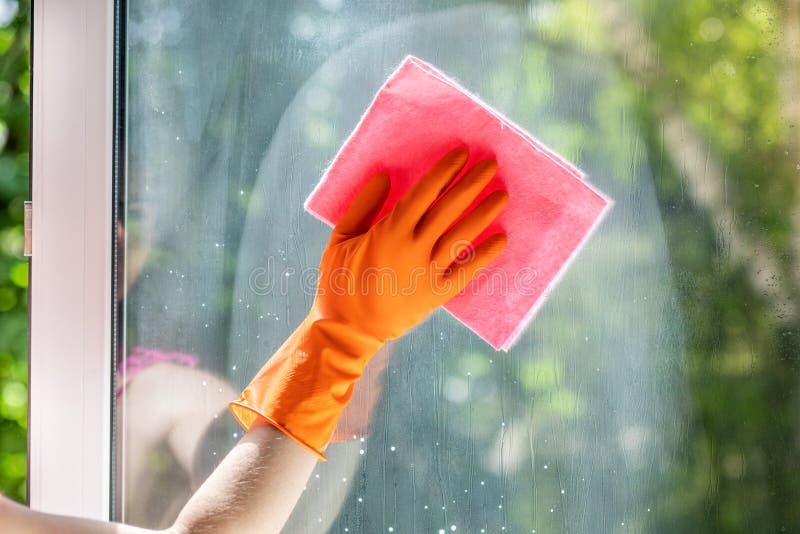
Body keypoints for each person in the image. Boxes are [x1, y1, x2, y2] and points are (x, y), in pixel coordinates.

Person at [0, 147, 508, 533]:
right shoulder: (157, 393)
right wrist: (342, 337)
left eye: (134, 213)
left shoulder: (166, 391)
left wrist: (335, 343)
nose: (115, 235)